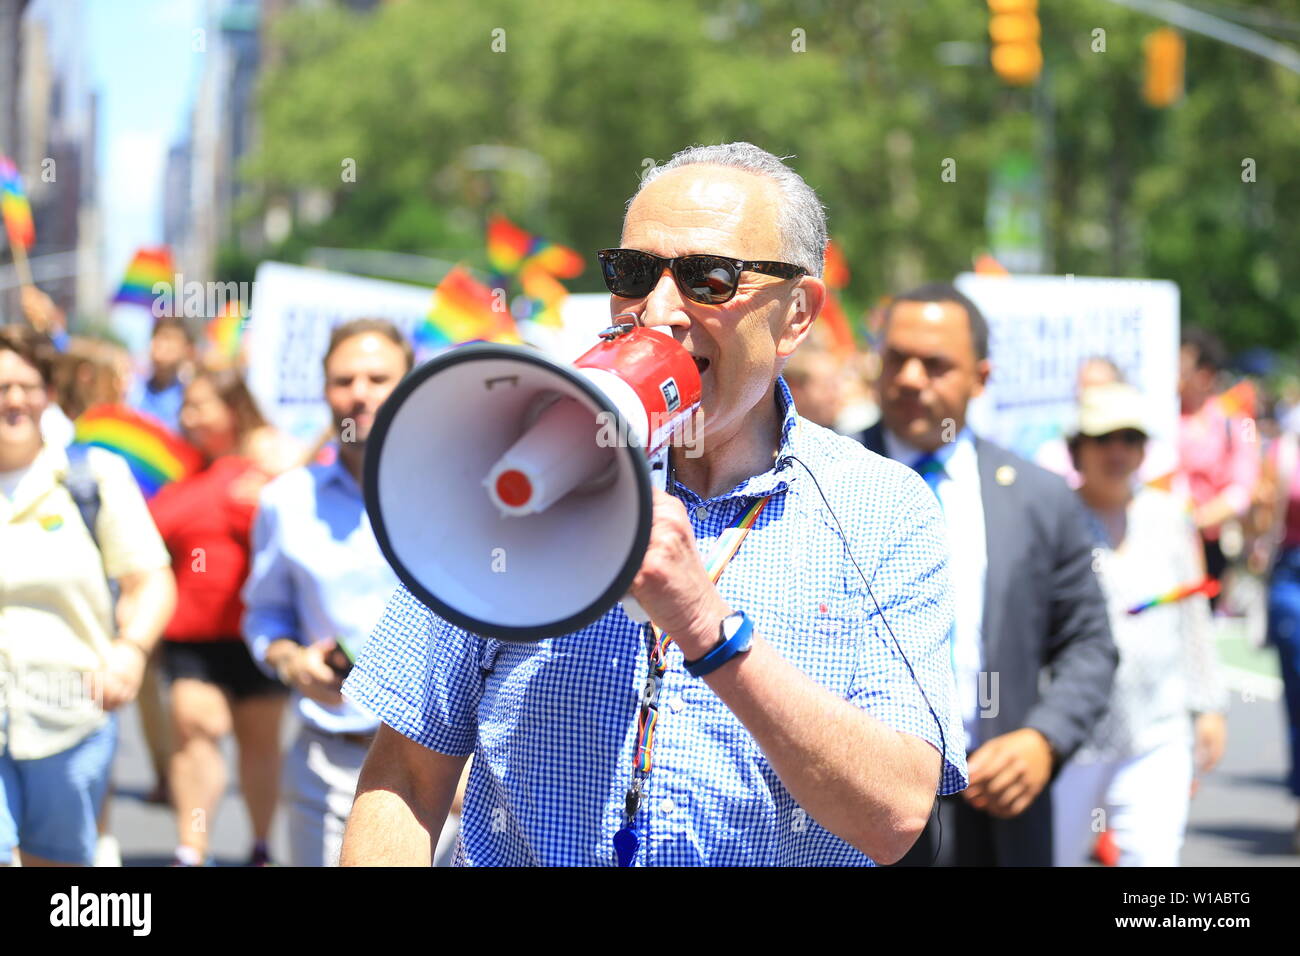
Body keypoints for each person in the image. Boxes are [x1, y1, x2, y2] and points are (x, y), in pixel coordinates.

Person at [340, 142, 966, 867]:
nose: (659, 312)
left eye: (709, 279)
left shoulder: (882, 510)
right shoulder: (507, 469)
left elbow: (895, 814)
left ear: (797, 315)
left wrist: (708, 631)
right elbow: (408, 776)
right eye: (634, 273)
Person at [857, 282, 1117, 866]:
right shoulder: (817, 481)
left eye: (937, 364)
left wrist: (1042, 740)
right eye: (897, 358)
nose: (910, 378)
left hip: (999, 810)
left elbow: (1089, 644)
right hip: (856, 813)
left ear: (981, 376)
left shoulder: (1038, 498)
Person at [243, 318, 436, 867]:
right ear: (324, 391)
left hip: (446, 766)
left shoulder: (466, 488)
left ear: (410, 383)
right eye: (343, 380)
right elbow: (265, 616)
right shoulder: (286, 502)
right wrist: (290, 660)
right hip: (329, 763)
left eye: (378, 378)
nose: (359, 394)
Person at [0, 325, 176, 866]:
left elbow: (151, 580)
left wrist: (132, 651)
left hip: (70, 719)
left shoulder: (92, 476)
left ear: (49, 393)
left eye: (26, 385)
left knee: (57, 866)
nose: (13, 400)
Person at [1051, 382, 1227, 866]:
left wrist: (1207, 706)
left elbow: (1193, 613)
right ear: (1078, 448)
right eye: (1105, 439)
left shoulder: (1168, 516)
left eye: (1131, 439)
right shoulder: (1053, 518)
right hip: (1073, 740)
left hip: (1157, 730)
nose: (1119, 451)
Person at [148, 369, 288, 866]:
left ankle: (260, 845)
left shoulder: (270, 475)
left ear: (233, 409)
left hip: (259, 635)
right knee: (195, 726)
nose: (190, 417)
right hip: (192, 637)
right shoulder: (178, 476)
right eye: (187, 406)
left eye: (202, 405)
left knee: (260, 744)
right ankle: (193, 848)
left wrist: (275, 487)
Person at [1177, 326, 1259, 601]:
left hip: (1208, 547)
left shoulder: (1235, 422)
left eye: (1182, 367)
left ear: (1205, 374)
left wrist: (1195, 521)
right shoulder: (1160, 416)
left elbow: (1243, 489)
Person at [1034, 356, 1177, 489]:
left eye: (1130, 439)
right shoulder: (1051, 458)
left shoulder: (1159, 459)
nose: (1116, 453)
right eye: (1102, 439)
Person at [128, 315, 194, 433]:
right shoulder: (131, 389)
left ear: (187, 349)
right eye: (155, 336)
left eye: (167, 338)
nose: (158, 344)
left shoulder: (190, 398)